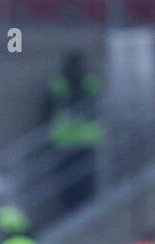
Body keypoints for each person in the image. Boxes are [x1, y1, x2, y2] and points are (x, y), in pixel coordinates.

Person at [44, 50, 103, 214]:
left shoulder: (91, 83)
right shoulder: (58, 84)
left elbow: (98, 108)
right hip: (65, 142)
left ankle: (85, 209)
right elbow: (45, 113)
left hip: (86, 141)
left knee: (86, 181)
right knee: (67, 183)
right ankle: (69, 210)